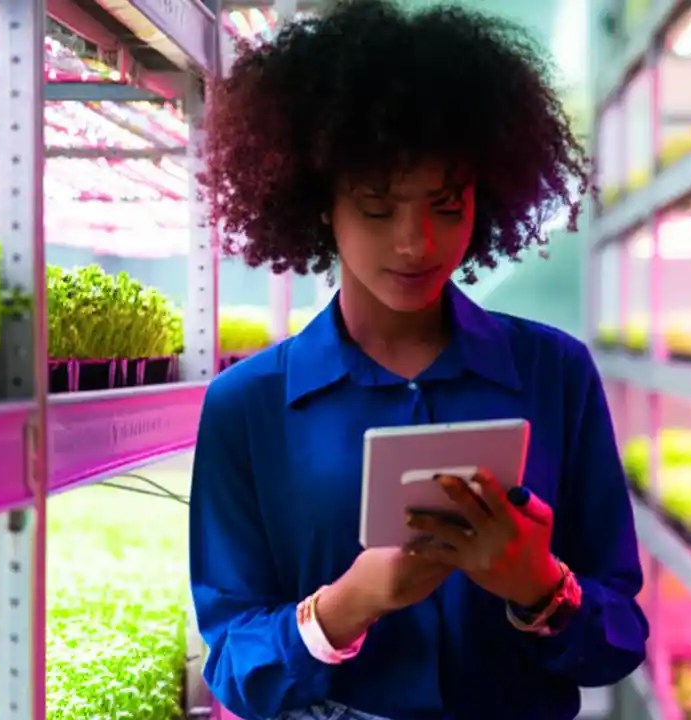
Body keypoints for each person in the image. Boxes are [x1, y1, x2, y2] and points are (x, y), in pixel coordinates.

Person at [188, 1, 649, 719]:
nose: (416, 242)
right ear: (320, 206)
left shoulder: (555, 375)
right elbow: (234, 668)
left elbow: (617, 641)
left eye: (446, 204)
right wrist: (353, 603)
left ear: (485, 197)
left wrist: (539, 585)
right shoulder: (246, 406)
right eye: (378, 207)